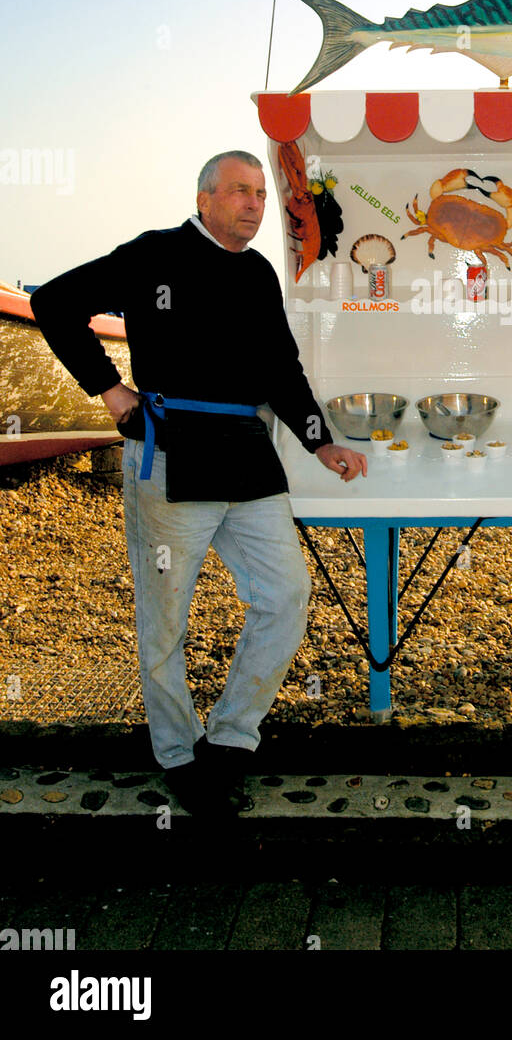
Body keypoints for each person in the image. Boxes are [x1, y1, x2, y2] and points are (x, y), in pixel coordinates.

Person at [30, 150, 366, 818]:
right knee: (165, 622)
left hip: (247, 457)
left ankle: (233, 739)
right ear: (205, 197)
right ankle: (179, 754)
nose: (254, 203)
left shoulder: (258, 272)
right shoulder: (154, 254)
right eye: (240, 191)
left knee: (285, 595)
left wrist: (319, 439)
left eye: (261, 194)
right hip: (170, 456)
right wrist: (109, 389)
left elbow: (281, 368)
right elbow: (54, 301)